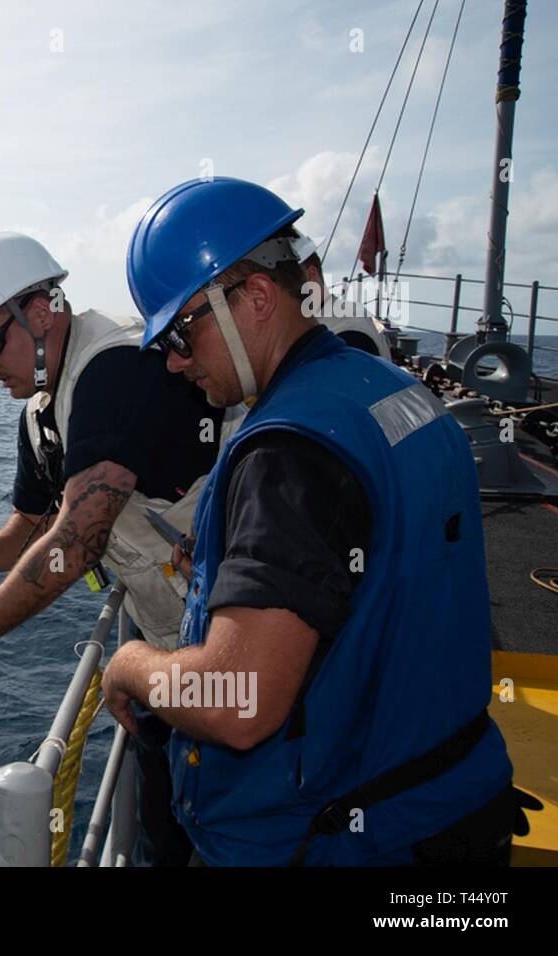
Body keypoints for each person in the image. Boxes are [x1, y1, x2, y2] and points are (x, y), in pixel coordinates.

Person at [101, 176, 520, 865]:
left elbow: (238, 702)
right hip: (453, 806)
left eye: (180, 332)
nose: (174, 362)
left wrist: (131, 664)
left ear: (257, 298)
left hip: (348, 840)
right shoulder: (396, 392)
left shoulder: (289, 452)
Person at [0, 233, 225, 863]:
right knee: (162, 830)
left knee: (221, 833)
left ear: (39, 313)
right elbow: (29, 528)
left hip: (226, 641)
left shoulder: (115, 367)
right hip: (162, 644)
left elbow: (76, 542)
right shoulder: (42, 410)